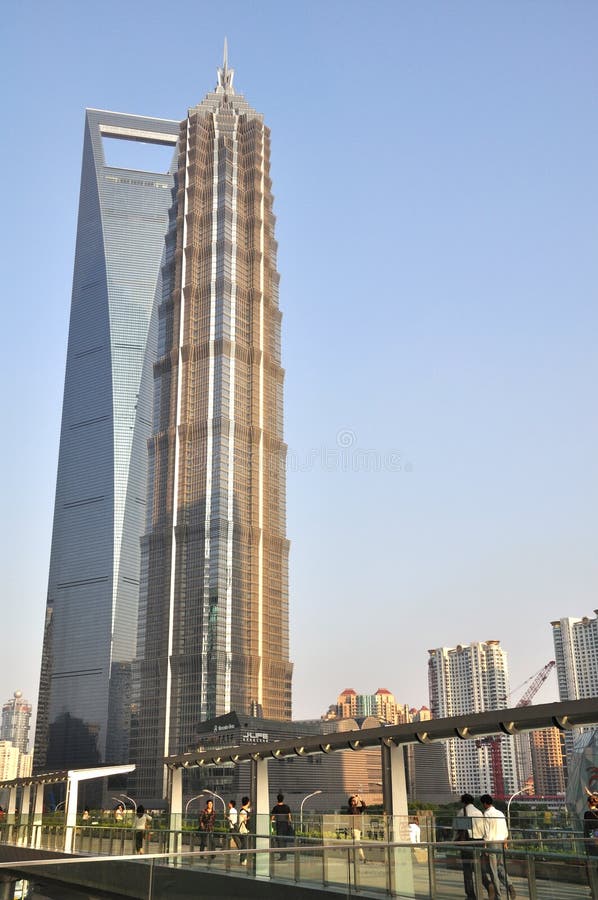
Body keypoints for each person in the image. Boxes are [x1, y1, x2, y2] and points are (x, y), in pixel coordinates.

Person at [480, 794, 515, 899]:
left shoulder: (486, 814)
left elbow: (486, 831)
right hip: (501, 842)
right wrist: (505, 841)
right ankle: (510, 886)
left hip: (491, 843)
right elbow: (505, 829)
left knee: (493, 871)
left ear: (485, 803)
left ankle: (498, 896)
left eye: (483, 804)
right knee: (500, 867)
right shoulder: (500, 813)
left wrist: (485, 845)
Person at [456, 793, 485, 900]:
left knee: (467, 869)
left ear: (463, 802)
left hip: (468, 842)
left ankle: (471, 895)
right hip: (480, 842)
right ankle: (488, 885)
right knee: (479, 867)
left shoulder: (462, 812)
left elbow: (458, 828)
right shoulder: (479, 812)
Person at [270, 793, 293, 860]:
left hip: (279, 825)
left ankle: (282, 856)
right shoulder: (287, 807)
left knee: (280, 840)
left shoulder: (276, 807)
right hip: (285, 825)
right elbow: (289, 817)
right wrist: (289, 823)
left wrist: (270, 822)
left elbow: (272, 817)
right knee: (284, 840)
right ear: (283, 799)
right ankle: (284, 856)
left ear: (277, 799)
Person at [348, 794, 367, 863]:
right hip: (354, 829)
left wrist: (360, 798)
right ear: (351, 802)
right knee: (357, 844)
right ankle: (362, 858)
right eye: (353, 801)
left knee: (356, 844)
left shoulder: (358, 809)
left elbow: (364, 806)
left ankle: (354, 858)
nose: (355, 801)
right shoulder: (350, 809)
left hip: (358, 829)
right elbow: (353, 810)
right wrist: (355, 799)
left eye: (354, 801)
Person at [238, 797, 251, 866]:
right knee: (245, 846)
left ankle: (243, 859)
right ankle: (243, 860)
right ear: (248, 802)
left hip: (245, 830)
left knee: (245, 845)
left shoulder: (244, 810)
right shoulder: (243, 811)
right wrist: (250, 817)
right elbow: (245, 820)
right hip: (243, 831)